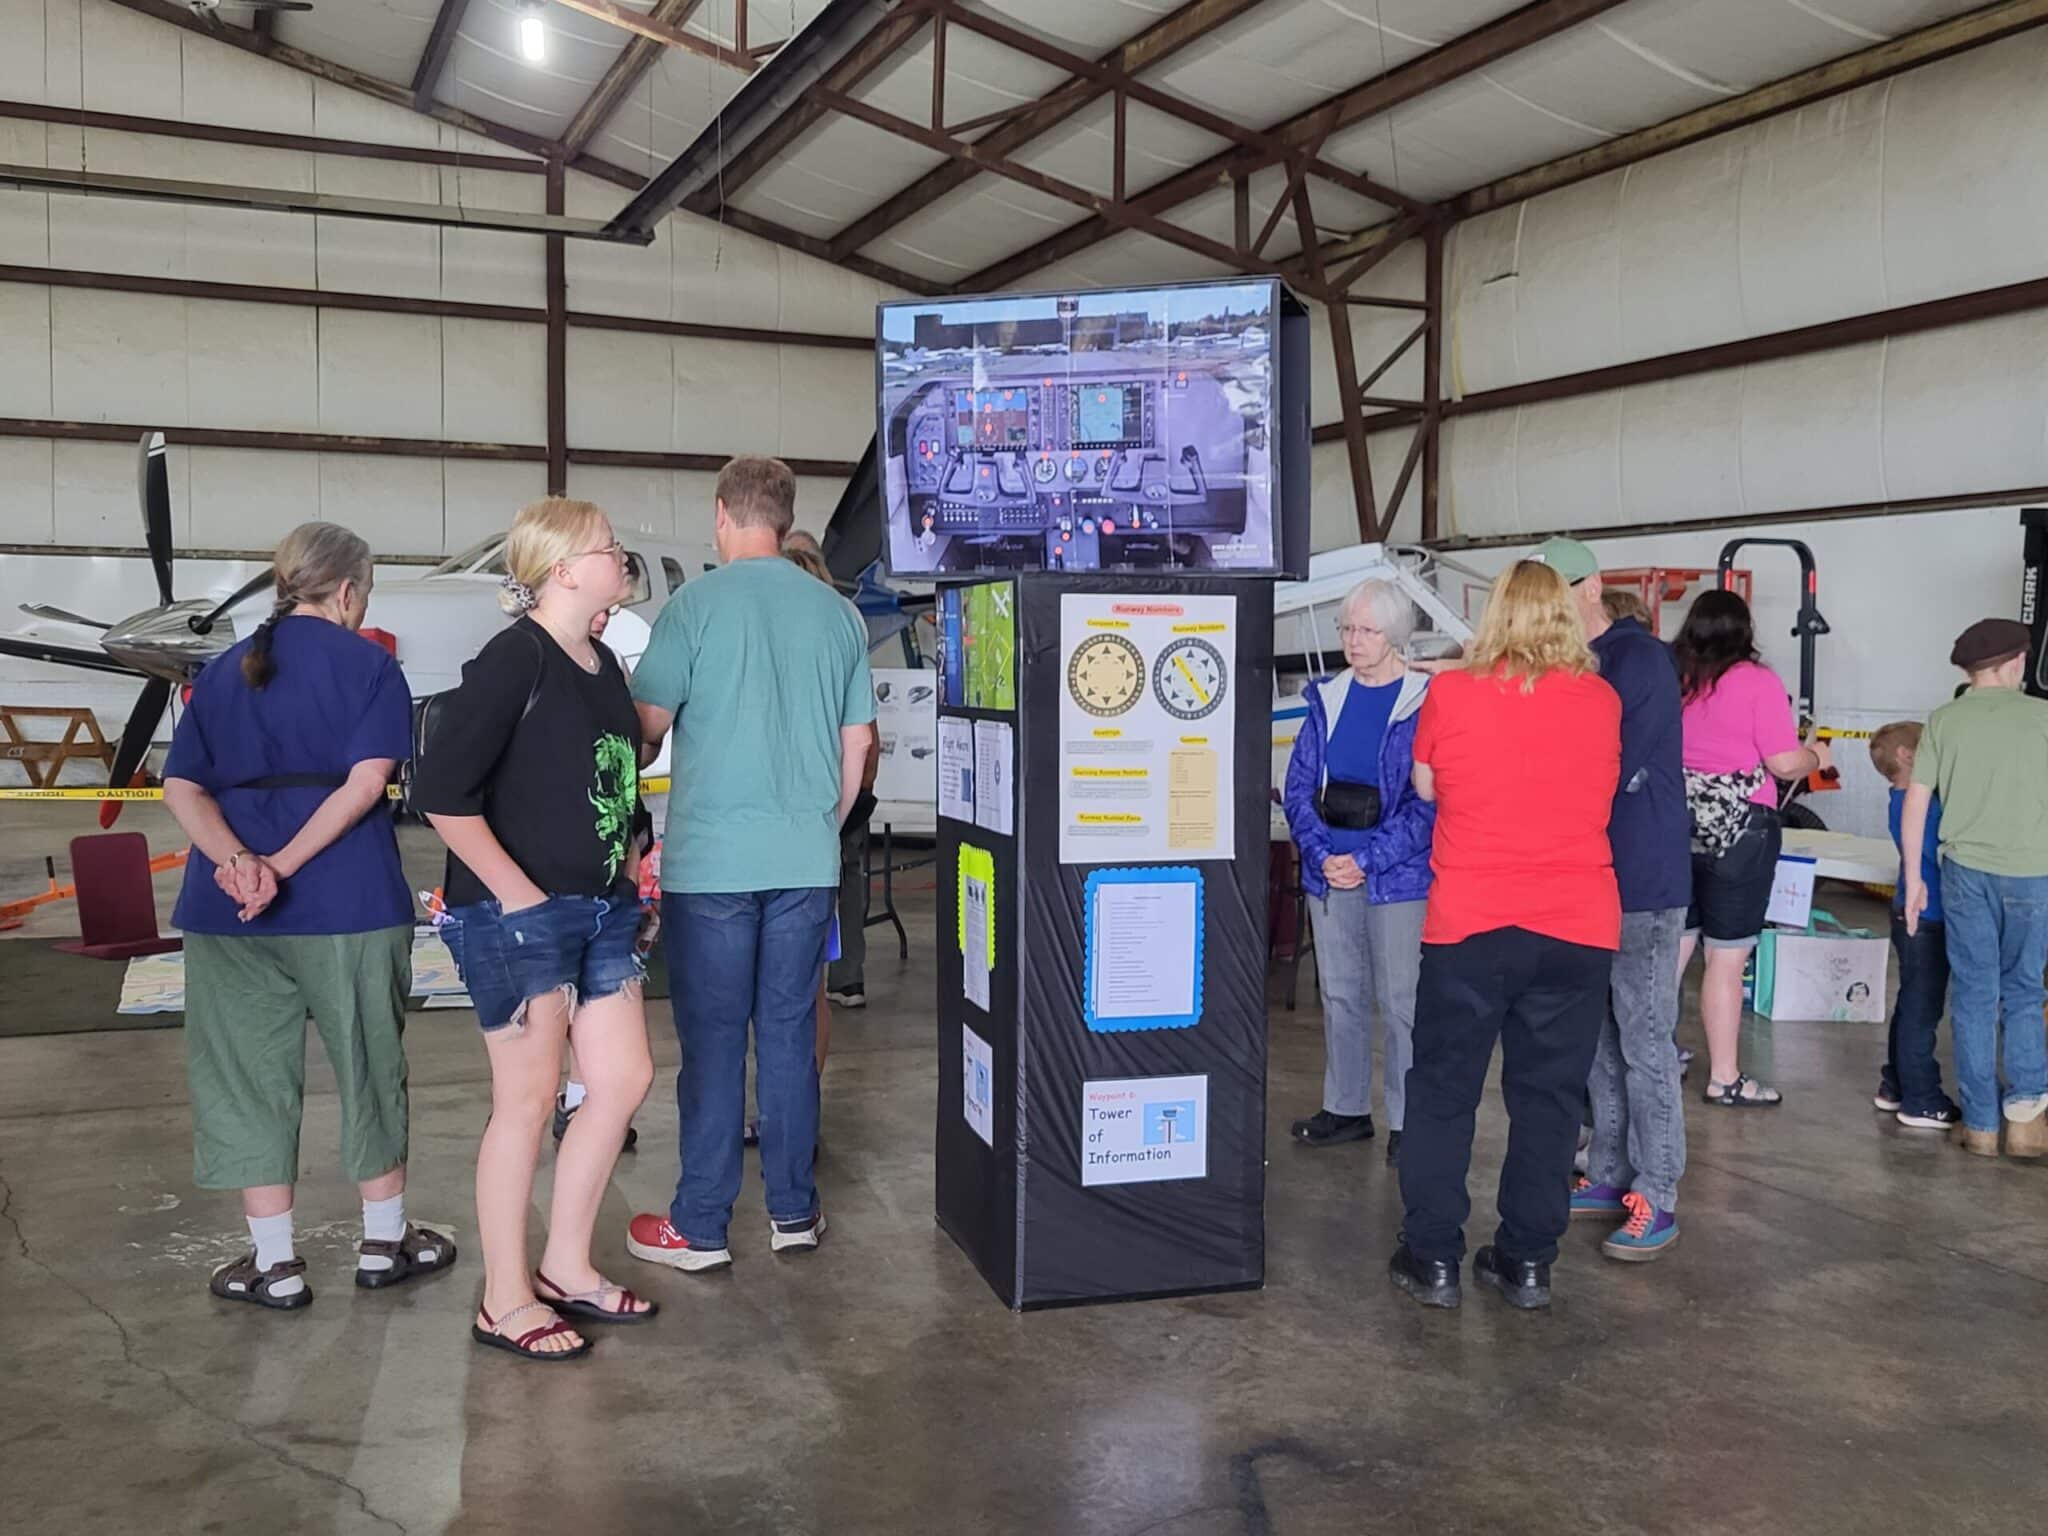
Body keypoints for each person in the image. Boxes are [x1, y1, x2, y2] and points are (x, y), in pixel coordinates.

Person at [162, 522, 455, 1310]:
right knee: (367, 1065)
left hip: (227, 912)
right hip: (347, 901)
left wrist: (238, 864)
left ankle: (276, 1263)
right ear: (351, 591)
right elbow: (365, 788)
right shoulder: (371, 667)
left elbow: (182, 787)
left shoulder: (222, 671)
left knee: (245, 1078)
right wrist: (282, 867)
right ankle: (384, 1243)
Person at [414, 497, 658, 1362]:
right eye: (609, 548)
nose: (622, 560)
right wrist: (518, 894)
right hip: (519, 919)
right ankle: (504, 1299)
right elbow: (439, 791)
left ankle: (563, 1265)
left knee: (622, 1079)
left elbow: (613, 781)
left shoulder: (601, 665)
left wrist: (635, 862)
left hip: (601, 912)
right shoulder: (513, 659)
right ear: (562, 568)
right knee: (524, 1105)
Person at [626, 456, 876, 1273]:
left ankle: (701, 1226)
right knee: (788, 1035)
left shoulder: (693, 606)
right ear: (785, 514)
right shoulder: (836, 615)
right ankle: (795, 1214)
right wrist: (819, 826)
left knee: (713, 1043)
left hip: (712, 867)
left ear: (724, 515)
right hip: (805, 860)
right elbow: (860, 745)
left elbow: (649, 726)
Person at [1390, 560, 1621, 1311]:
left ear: (1492, 618)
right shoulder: (1602, 700)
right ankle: (1526, 1261)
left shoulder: (1450, 691)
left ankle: (1432, 1258)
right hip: (1577, 925)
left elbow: (1427, 786)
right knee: (1550, 1099)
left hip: (1472, 923)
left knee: (1442, 1093)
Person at [1535, 540, 1689, 1263]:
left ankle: (1657, 1192)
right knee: (1597, 1036)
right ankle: (1607, 1174)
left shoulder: (1638, 661)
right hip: (1585, 879)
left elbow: (1610, 769)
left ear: (1591, 586)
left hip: (1642, 884)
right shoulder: (1574, 664)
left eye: (1560, 589)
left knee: (1646, 1039)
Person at [1280, 578, 1434, 1165]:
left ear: (1393, 634)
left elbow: (1429, 805)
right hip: (1330, 869)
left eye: (1366, 630)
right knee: (1339, 993)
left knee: (1402, 1001)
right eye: (1347, 628)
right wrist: (1321, 854)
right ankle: (1345, 1108)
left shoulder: (1426, 701)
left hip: (1396, 876)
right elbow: (1298, 788)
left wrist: (1367, 859)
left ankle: (1406, 1119)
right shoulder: (1328, 697)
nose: (1353, 640)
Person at [1673, 590, 1829, 1108]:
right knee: (1726, 957)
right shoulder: (1757, 682)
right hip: (1740, 831)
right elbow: (1784, 763)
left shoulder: (1675, 679)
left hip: (1674, 826)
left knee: (1673, 947)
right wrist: (1815, 755)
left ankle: (1655, 1057)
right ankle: (1725, 1078)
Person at [1902, 618, 2048, 1159]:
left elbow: (1917, 800)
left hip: (1964, 873)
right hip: (2034, 872)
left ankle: (1982, 1126)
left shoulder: (1945, 720)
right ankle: (2028, 1121)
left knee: (1973, 995)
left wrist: (1914, 879)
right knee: (2026, 992)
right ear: (2015, 664)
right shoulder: (2043, 717)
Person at [551, 602, 652, 1156]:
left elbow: (629, 773)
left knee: (616, 1042)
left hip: (613, 877)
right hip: (555, 883)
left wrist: (635, 867)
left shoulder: (607, 665)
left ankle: (582, 1096)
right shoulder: (526, 664)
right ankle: (575, 1096)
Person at [1868, 722, 1959, 1130]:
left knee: (1910, 1004)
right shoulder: (1919, 804)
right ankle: (1922, 1099)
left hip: (1911, 912)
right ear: (1908, 756)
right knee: (1923, 1010)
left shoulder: (1898, 799)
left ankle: (1895, 1084)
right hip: (1928, 916)